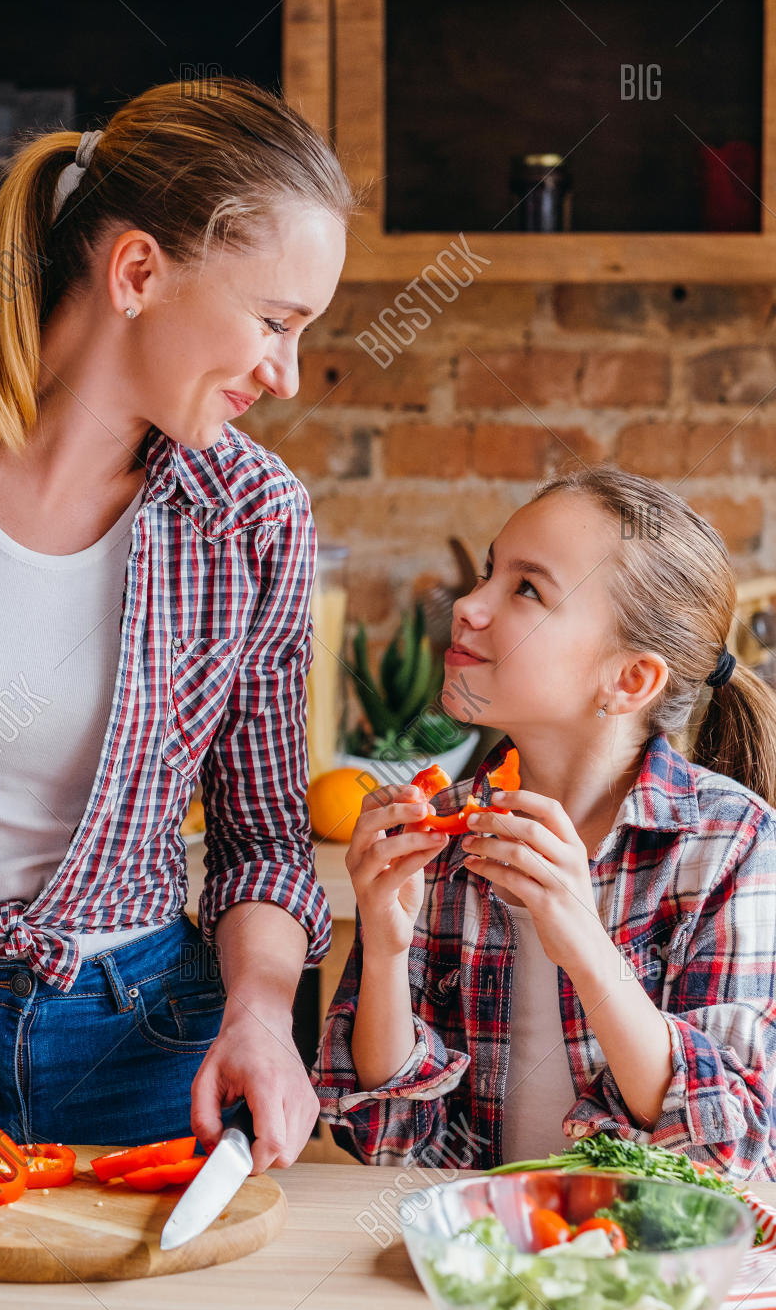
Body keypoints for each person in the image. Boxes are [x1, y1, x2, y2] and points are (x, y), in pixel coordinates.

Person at [0, 78, 352, 1168]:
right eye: (273, 321)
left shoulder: (252, 518)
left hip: (143, 1042)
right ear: (136, 271)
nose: (284, 371)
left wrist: (261, 1018)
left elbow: (264, 841)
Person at [313, 463, 776, 1180]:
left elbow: (732, 1152)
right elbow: (387, 1140)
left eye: (526, 589)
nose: (469, 605)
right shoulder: (442, 830)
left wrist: (586, 945)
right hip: (473, 1259)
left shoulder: (731, 844)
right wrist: (385, 948)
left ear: (628, 680)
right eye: (489, 572)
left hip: (645, 1273)